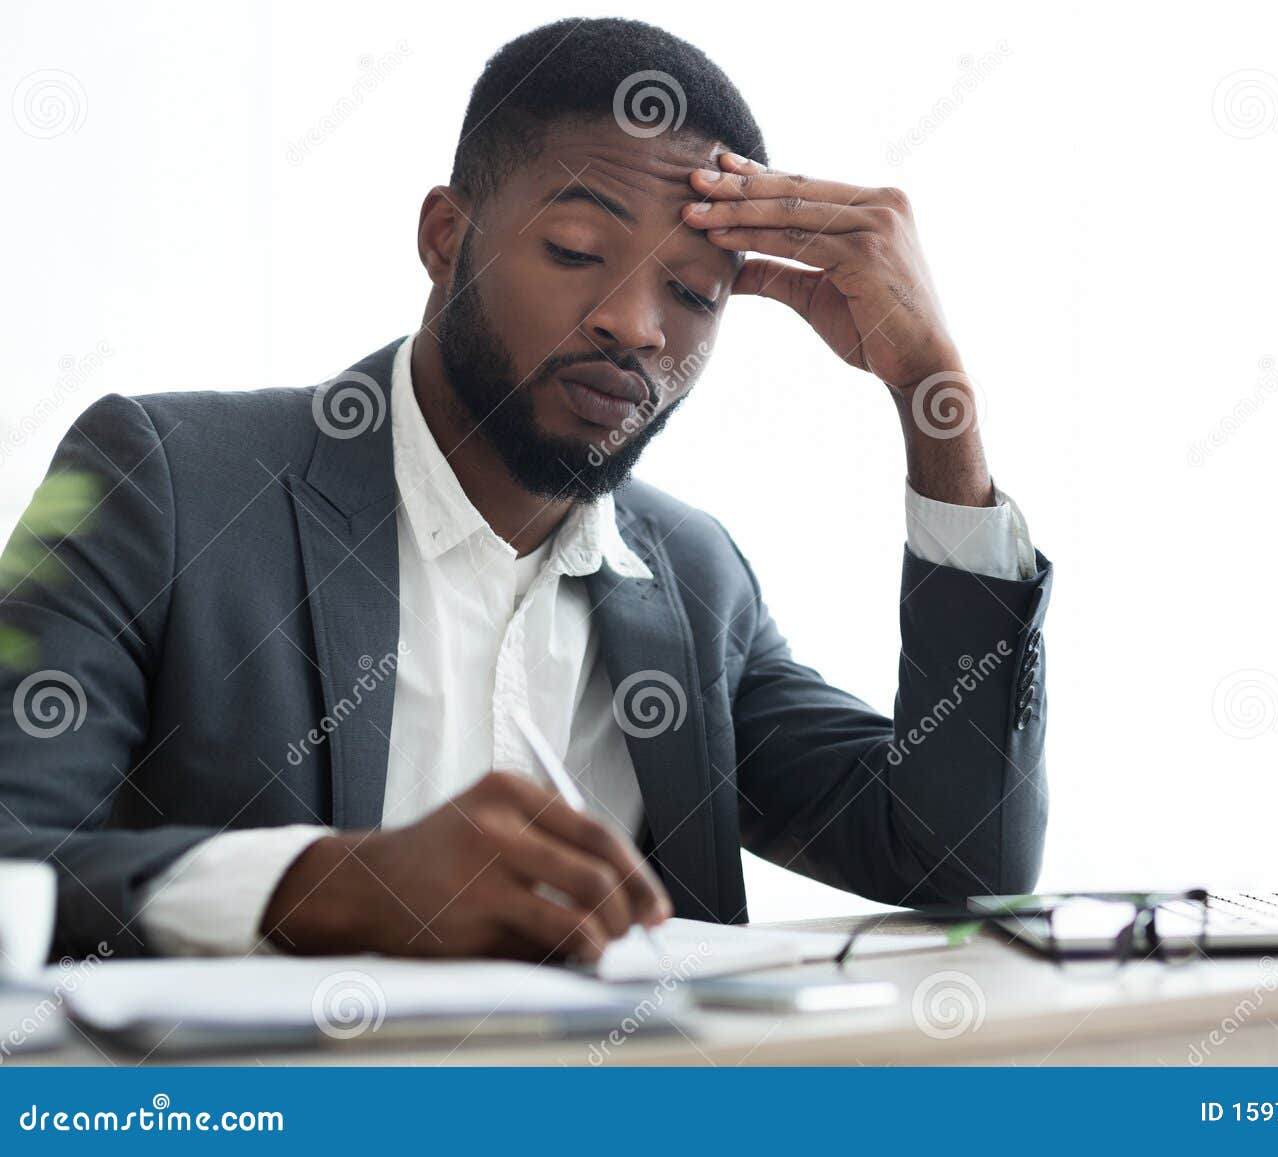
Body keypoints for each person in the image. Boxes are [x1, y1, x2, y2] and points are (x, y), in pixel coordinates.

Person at [0, 17, 1051, 963]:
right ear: (445, 238)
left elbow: (958, 856)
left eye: (693, 292)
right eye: (575, 250)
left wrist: (931, 398)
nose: (637, 325)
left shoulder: (694, 580)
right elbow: (12, 864)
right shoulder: (163, 481)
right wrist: (320, 885)